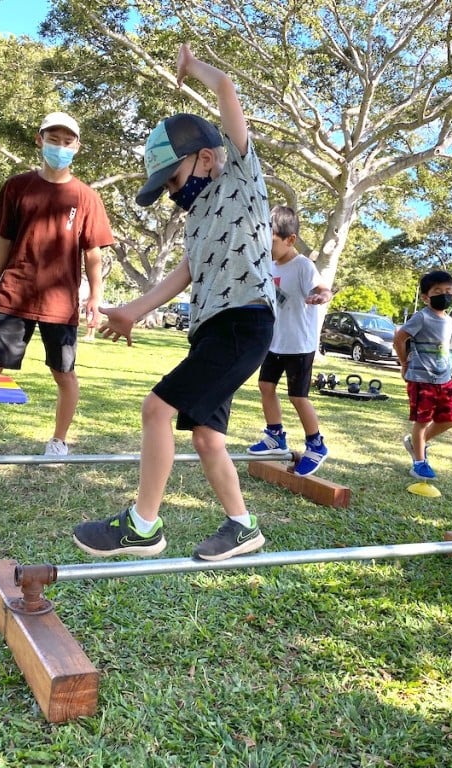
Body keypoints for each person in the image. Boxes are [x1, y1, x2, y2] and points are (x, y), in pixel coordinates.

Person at [73, 44, 276, 562]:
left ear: (205, 159)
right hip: (212, 330)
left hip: (244, 322)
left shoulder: (241, 179)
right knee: (206, 435)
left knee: (157, 409)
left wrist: (191, 68)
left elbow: (226, 89)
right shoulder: (196, 219)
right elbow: (185, 274)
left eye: (173, 179)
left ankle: (143, 526)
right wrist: (132, 310)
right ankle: (243, 526)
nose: (170, 193)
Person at [0, 111, 114, 459]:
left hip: (60, 302)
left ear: (77, 147)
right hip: (14, 294)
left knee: (64, 374)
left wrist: (95, 297)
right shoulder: (17, 186)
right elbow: (3, 240)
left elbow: (92, 252)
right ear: (40, 140)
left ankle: (59, 442)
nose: (60, 147)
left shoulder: (86, 197)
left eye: (67, 142)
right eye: (53, 140)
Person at [246, 205, 332, 476]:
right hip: (276, 341)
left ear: (290, 239)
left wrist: (321, 297)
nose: (265, 247)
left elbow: (324, 289)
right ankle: (275, 435)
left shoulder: (303, 265)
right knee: (265, 385)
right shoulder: (269, 265)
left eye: (270, 241)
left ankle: (316, 444)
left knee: (297, 396)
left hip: (299, 344)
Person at [393, 270, 452, 479]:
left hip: (444, 379)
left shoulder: (449, 321)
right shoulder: (421, 317)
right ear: (425, 297)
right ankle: (419, 463)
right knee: (422, 422)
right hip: (422, 379)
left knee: (451, 419)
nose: (444, 295)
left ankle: (416, 444)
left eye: (448, 290)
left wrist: (450, 371)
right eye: (437, 291)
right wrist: (404, 363)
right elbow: (399, 338)